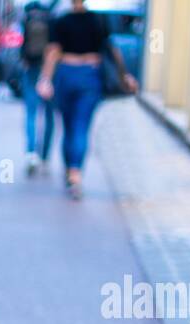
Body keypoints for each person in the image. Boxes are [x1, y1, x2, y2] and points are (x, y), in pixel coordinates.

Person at [36, 0, 137, 199]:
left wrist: (45, 79)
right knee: (82, 127)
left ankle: (69, 170)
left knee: (67, 126)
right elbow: (112, 50)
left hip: (66, 73)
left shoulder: (61, 21)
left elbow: (53, 52)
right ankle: (76, 173)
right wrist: (124, 74)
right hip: (90, 75)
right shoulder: (98, 20)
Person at [19, 1, 55, 176]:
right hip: (50, 69)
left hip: (31, 68)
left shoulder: (28, 16)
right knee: (49, 114)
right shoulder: (53, 17)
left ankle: (31, 153)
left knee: (31, 112)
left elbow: (22, 45)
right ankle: (45, 156)